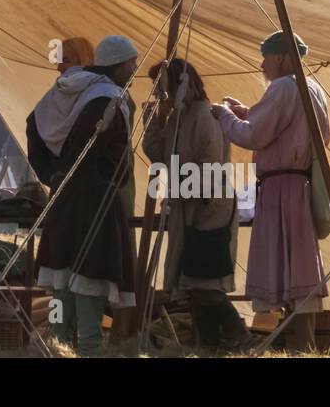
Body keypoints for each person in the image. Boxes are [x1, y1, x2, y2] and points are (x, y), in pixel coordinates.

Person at [209, 30, 330, 352]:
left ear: (279, 57)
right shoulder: (313, 88)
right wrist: (246, 113)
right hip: (299, 185)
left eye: (265, 56)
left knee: (290, 274)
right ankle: (300, 347)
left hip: (281, 191)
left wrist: (224, 116)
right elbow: (283, 126)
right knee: (297, 272)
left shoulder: (282, 87)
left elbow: (254, 137)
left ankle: (301, 347)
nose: (262, 63)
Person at [25, 35, 138, 356]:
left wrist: (53, 174)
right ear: (117, 64)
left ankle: (61, 347)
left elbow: (34, 123)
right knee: (87, 287)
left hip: (66, 204)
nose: (134, 69)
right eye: (131, 63)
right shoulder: (106, 98)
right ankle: (85, 349)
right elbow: (101, 149)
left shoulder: (69, 88)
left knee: (62, 288)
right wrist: (98, 177)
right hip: (95, 207)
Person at [141, 58, 250, 351]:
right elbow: (157, 153)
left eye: (160, 87)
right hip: (188, 207)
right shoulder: (178, 118)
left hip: (208, 206)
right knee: (192, 285)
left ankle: (237, 333)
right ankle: (209, 346)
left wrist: (191, 196)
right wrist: (157, 118)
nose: (158, 93)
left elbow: (210, 165)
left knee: (205, 282)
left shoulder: (204, 115)